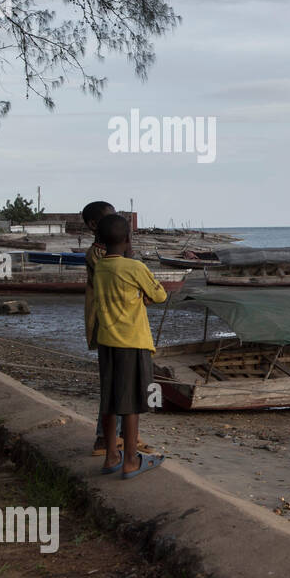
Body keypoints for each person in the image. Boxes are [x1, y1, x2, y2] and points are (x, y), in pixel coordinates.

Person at [92, 213, 166, 478]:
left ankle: (111, 456)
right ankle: (131, 460)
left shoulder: (100, 266)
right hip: (132, 343)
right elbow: (160, 294)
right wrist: (132, 256)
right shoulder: (134, 268)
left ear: (99, 240)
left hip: (106, 342)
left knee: (109, 401)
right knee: (131, 403)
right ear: (127, 238)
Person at [81, 201, 149, 457]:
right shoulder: (99, 255)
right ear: (95, 226)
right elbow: (122, 277)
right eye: (112, 220)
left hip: (116, 326)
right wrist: (128, 251)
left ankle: (121, 439)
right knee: (119, 388)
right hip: (113, 328)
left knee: (117, 386)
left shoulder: (103, 254)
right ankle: (107, 440)